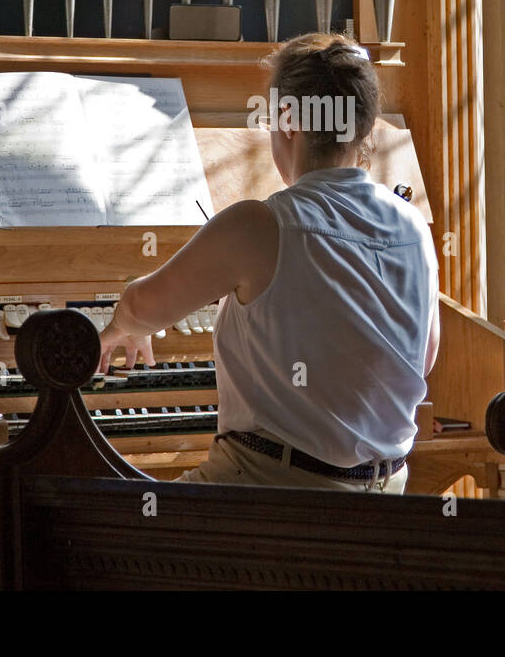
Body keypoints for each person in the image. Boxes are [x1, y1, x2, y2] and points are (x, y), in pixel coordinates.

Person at [98, 32, 439, 492]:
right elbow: (424, 359)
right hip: (386, 494)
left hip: (271, 491)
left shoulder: (259, 224)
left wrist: (122, 326)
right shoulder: (412, 227)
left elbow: (143, 307)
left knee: (122, 531)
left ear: (288, 122)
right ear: (363, 128)